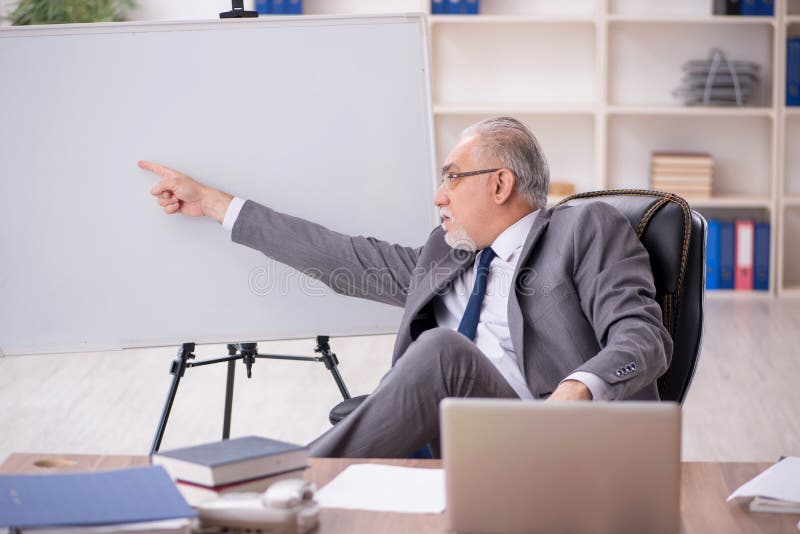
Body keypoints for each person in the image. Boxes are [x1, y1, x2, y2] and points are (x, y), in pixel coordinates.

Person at [139, 117, 672, 458]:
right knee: (440, 354)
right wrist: (211, 203)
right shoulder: (446, 257)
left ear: (500, 183)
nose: (438, 196)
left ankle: (288, 483)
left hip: (561, 439)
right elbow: (336, 254)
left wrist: (576, 389)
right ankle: (293, 485)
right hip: (463, 437)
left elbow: (643, 339)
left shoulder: (584, 228)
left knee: (442, 349)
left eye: (451, 178)